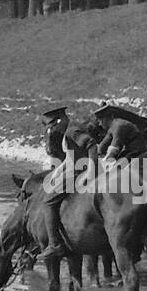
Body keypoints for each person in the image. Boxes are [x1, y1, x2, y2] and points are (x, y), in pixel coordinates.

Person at [40, 105, 82, 259]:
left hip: (79, 170)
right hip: (72, 166)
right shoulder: (68, 129)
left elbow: (87, 149)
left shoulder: (70, 131)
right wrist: (58, 171)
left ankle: (54, 244)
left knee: (48, 201)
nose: (53, 126)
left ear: (58, 119)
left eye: (53, 122)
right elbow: (70, 157)